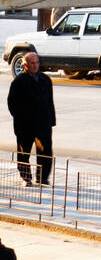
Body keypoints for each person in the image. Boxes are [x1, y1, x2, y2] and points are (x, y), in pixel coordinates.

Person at [7, 49, 56, 186]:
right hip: (25, 127)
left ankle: (43, 178)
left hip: (43, 125)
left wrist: (51, 121)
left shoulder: (46, 80)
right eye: (32, 63)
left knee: (45, 154)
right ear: (25, 65)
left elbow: (50, 102)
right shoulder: (18, 82)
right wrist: (21, 120)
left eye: (37, 62)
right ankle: (26, 178)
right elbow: (12, 104)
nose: (35, 65)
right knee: (23, 154)